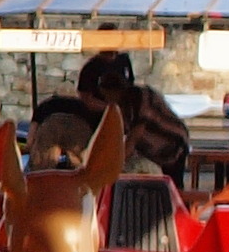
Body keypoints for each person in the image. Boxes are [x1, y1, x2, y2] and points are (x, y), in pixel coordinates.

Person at [28, 46, 190, 182]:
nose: (106, 101)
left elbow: (134, 137)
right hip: (158, 150)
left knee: (174, 187)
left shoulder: (141, 99)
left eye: (106, 96)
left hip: (174, 143)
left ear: (114, 91)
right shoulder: (123, 109)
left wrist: (113, 167)